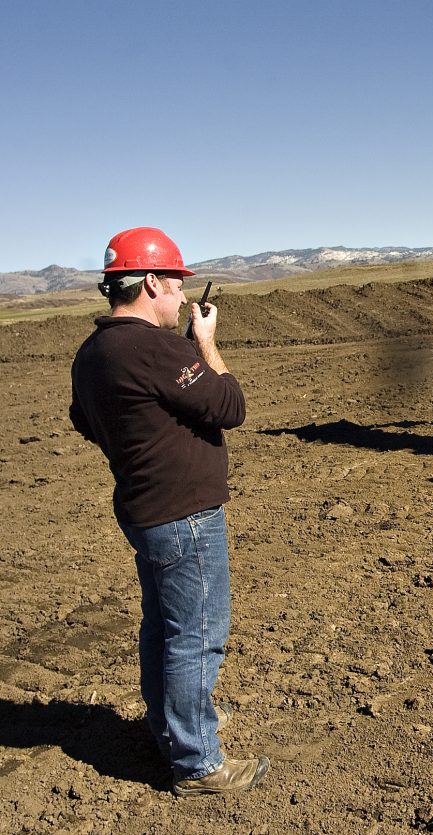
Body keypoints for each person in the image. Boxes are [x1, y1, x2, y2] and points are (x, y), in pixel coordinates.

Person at [69, 227, 269, 796]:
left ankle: (173, 724)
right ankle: (199, 762)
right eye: (176, 285)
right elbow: (230, 406)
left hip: (142, 508)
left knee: (164, 627)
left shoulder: (94, 352)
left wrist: (141, 438)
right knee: (198, 635)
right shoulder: (155, 348)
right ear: (150, 282)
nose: (183, 298)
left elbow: (85, 419)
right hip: (183, 514)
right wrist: (202, 342)